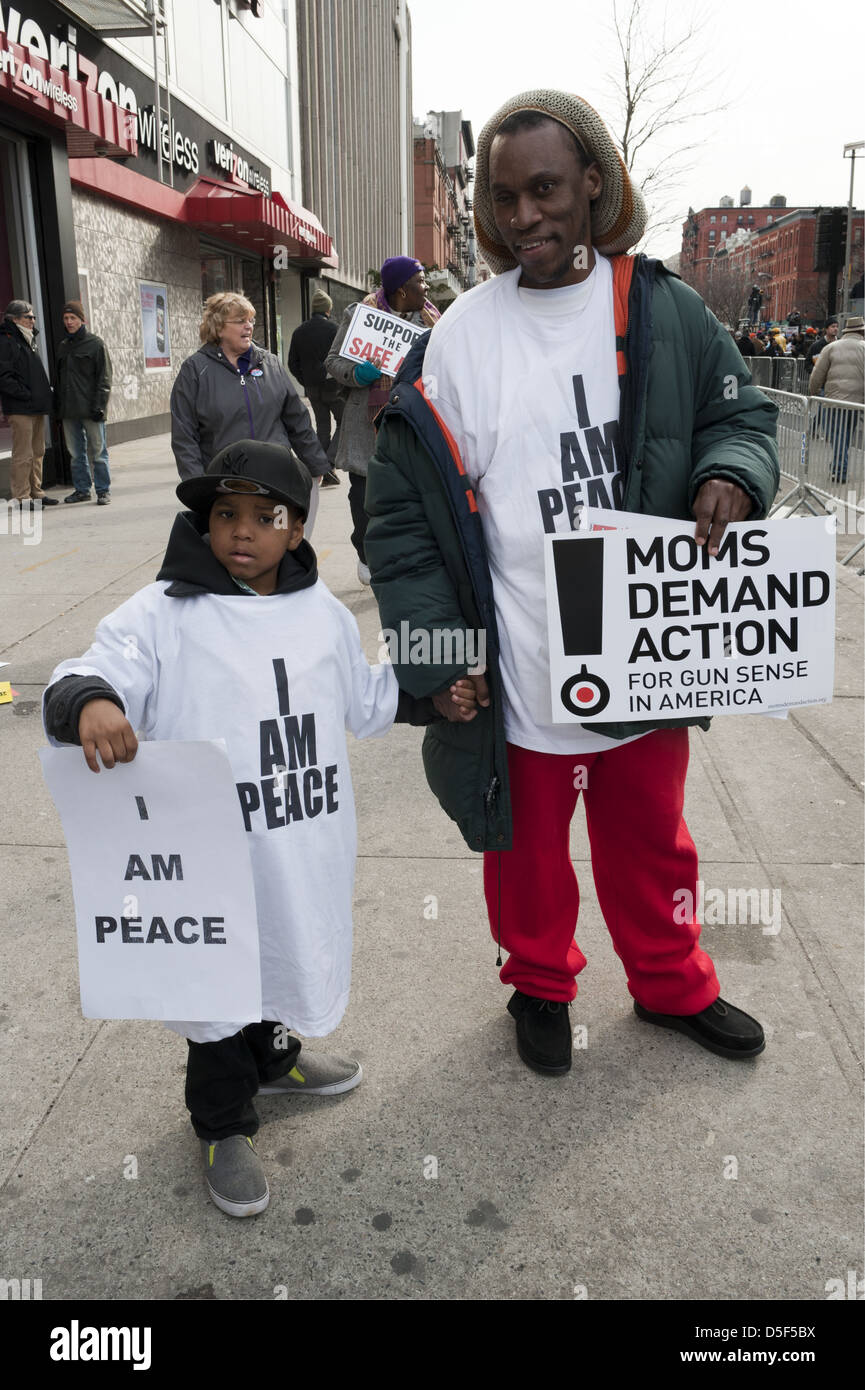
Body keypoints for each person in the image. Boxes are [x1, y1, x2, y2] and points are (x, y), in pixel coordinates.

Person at [364, 90, 779, 1078]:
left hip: (640, 654)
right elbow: (400, 516)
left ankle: (672, 983)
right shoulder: (460, 335)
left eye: (545, 189)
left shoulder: (665, 310)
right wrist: (436, 658)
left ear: (593, 180)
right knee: (526, 856)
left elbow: (742, 416)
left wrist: (731, 477)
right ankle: (539, 984)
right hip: (519, 663)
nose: (523, 218)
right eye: (502, 199)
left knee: (653, 844)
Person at [42, 439, 460, 1217]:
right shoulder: (164, 614)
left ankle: (275, 1060)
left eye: (262, 516)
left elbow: (362, 699)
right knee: (216, 983)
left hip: (298, 837)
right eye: (223, 514)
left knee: (282, 948)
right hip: (207, 850)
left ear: (296, 529)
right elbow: (93, 666)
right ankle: (222, 1121)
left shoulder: (323, 615)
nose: (240, 530)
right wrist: (91, 702)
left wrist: (433, 701)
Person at [325, 259, 440, 586]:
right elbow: (332, 361)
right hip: (367, 421)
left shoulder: (434, 323)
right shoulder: (358, 317)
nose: (426, 287)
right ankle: (364, 551)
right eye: (420, 281)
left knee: (408, 500)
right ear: (402, 288)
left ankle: (403, 559)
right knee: (363, 499)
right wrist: (356, 374)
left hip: (410, 423)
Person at [170, 293, 330, 487]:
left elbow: (297, 419)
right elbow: (184, 435)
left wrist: (316, 463)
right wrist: (196, 484)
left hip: (275, 477)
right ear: (218, 328)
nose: (249, 326)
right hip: (224, 482)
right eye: (240, 321)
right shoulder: (194, 370)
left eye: (251, 320)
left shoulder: (269, 363)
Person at [0, 299, 58, 505]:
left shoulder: (27, 339)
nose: (33, 320)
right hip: (21, 407)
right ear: (15, 319)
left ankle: (37, 492)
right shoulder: (7, 341)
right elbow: (4, 377)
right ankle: (22, 497)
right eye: (28, 317)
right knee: (23, 454)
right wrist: (26, 395)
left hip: (34, 406)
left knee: (38, 451)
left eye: (33, 316)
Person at [56, 300, 113, 506]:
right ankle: (81, 490)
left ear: (82, 320)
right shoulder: (63, 347)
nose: (69, 322)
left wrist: (100, 406)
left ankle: (103, 491)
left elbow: (105, 378)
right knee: (75, 454)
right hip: (69, 410)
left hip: (91, 409)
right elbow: (59, 380)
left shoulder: (96, 344)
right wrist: (58, 409)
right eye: (66, 318)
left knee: (98, 453)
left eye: (73, 318)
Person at [287, 290, 342, 484]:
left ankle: (321, 467)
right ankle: (328, 463)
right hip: (332, 385)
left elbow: (292, 363)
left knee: (323, 425)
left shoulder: (299, 331)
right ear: (328, 309)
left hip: (312, 387)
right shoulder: (335, 329)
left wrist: (305, 381)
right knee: (343, 423)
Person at [809, 316, 865, 482]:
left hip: (833, 400)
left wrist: (813, 393)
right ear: (862, 331)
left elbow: (817, 374)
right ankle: (838, 466)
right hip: (856, 403)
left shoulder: (831, 348)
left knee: (837, 435)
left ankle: (840, 470)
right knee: (845, 434)